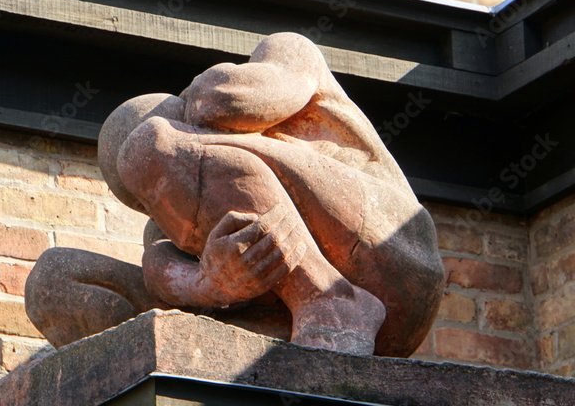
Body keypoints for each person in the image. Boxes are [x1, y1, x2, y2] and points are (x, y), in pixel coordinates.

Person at [26, 33, 444, 357]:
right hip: (282, 321)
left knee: (146, 146)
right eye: (147, 200)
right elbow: (159, 267)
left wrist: (186, 110)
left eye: (156, 187)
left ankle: (332, 301)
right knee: (54, 277)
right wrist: (210, 284)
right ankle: (159, 381)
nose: (163, 208)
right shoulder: (173, 218)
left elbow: (233, 100)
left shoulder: (287, 50)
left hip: (388, 252)